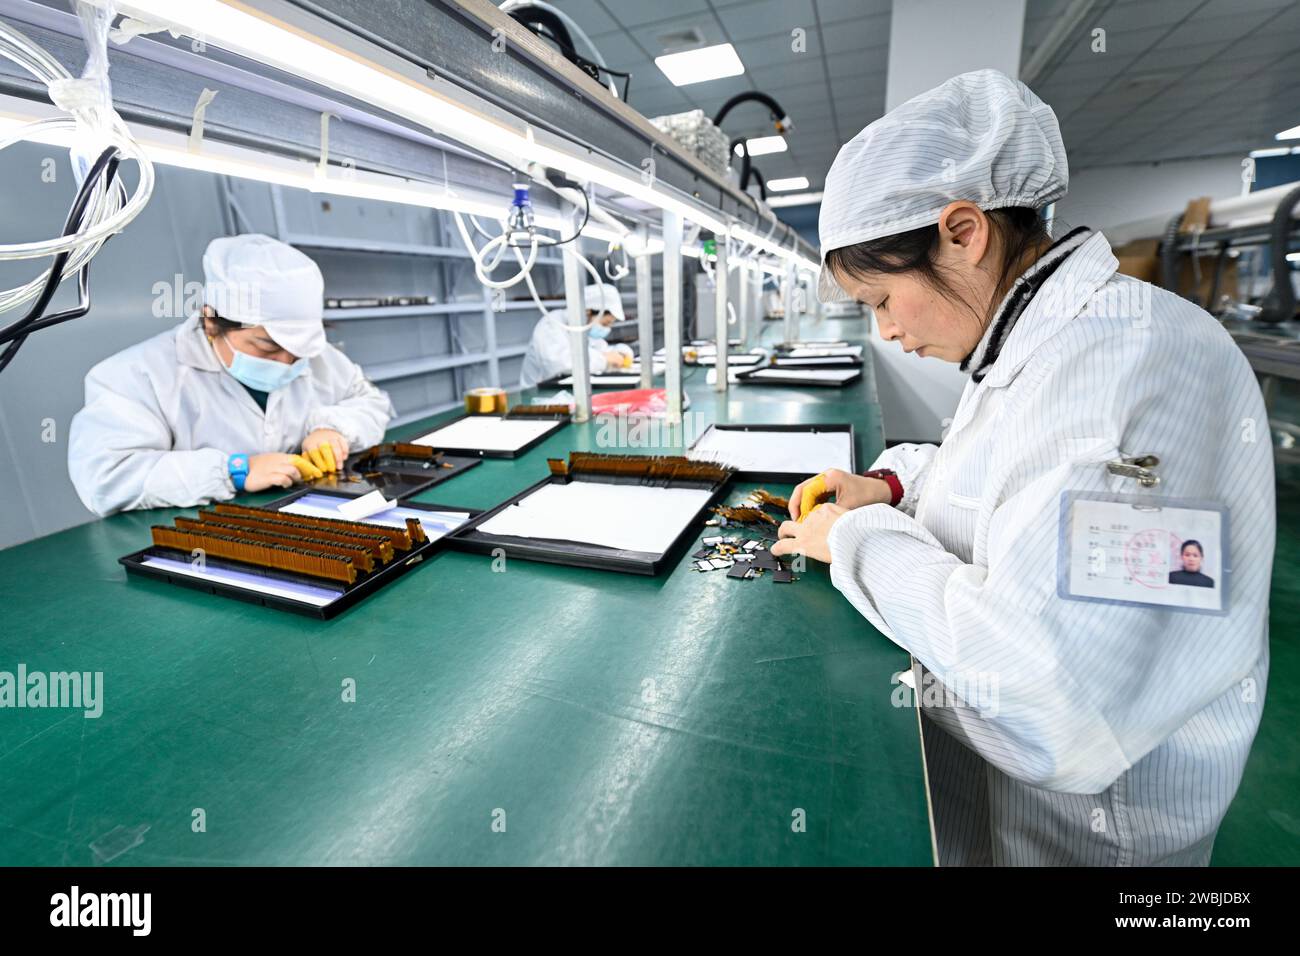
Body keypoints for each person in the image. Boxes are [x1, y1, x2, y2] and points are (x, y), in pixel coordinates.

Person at [772, 70, 1273, 866]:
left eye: (880, 299)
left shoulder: (1129, 367)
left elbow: (1048, 694)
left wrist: (858, 538)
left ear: (963, 232)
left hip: (1090, 835)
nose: (888, 329)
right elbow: (1013, 491)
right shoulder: (1042, 338)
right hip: (1015, 810)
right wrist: (897, 486)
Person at [68, 234, 394, 516]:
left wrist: (333, 428)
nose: (285, 362)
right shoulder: (135, 376)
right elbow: (105, 478)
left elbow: (372, 403)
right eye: (267, 346)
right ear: (211, 321)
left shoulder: (319, 358)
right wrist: (233, 471)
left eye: (297, 350)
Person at [518, 283, 633, 387]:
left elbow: (603, 350)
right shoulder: (552, 324)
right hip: (539, 398)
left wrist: (621, 352)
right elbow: (562, 364)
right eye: (605, 323)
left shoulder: (583, 329)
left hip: (565, 392)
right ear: (588, 312)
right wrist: (604, 359)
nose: (607, 329)